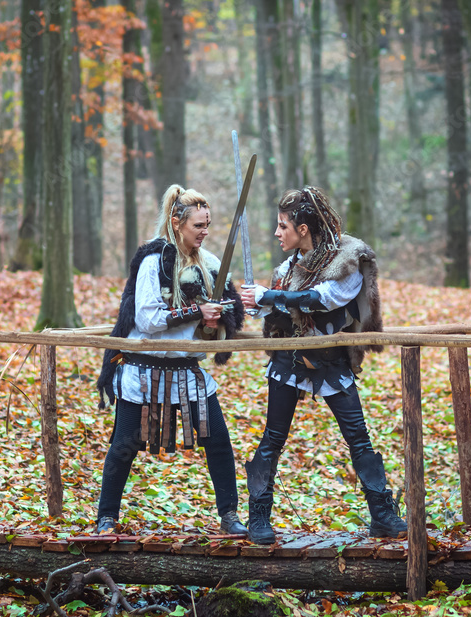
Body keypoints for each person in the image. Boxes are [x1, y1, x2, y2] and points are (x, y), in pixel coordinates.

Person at [239, 186, 408, 545]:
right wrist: (251, 302)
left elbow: (321, 299)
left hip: (332, 364)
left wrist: (269, 297)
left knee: (359, 438)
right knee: (272, 438)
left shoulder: (347, 259)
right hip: (290, 361)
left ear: (303, 229)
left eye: (283, 225)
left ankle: (382, 516)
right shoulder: (287, 268)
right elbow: (273, 307)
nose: (276, 232)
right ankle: (258, 519)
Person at [94, 184, 247, 536]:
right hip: (143, 372)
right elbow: (147, 318)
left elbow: (228, 312)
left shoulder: (209, 264)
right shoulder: (154, 259)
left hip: (186, 372)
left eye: (207, 226)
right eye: (198, 226)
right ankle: (106, 518)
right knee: (124, 446)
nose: (205, 232)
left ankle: (229, 515)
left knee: (219, 443)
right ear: (177, 223)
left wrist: (217, 318)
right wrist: (197, 311)